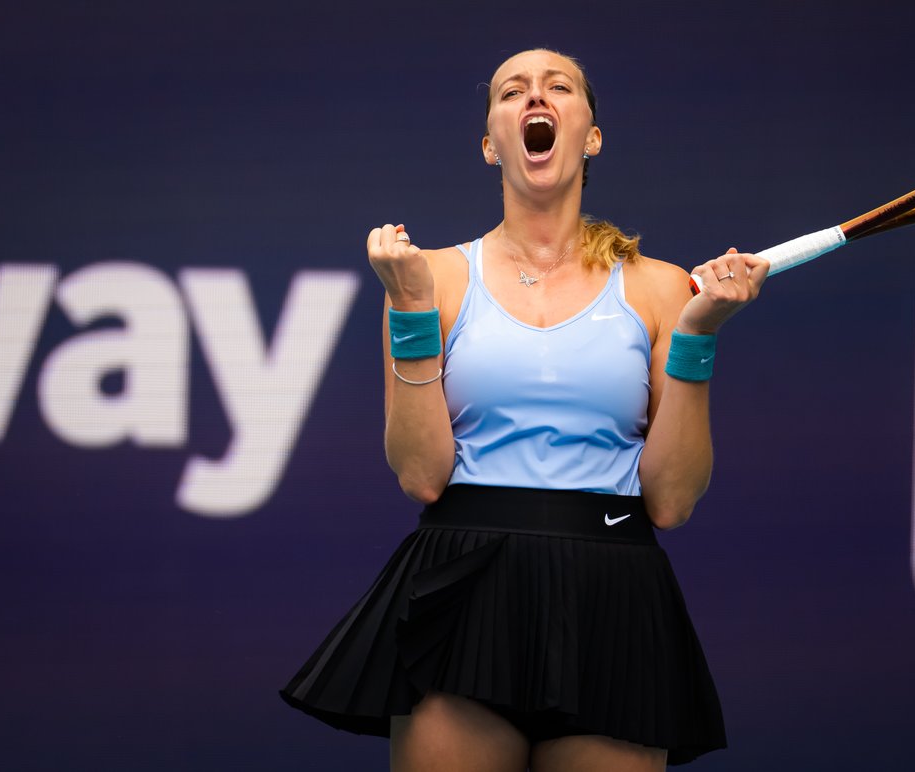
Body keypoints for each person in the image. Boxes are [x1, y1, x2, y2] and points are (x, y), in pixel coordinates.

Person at [280, 48, 769, 771]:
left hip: (615, 598)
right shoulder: (432, 276)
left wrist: (696, 338)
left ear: (590, 135)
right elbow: (420, 474)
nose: (534, 98)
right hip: (462, 594)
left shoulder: (663, 290)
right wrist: (410, 308)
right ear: (491, 143)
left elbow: (670, 501)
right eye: (512, 92)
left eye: (558, 87)